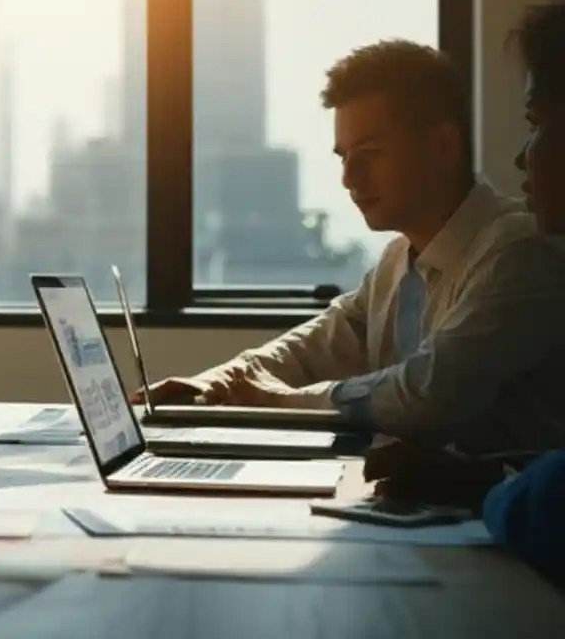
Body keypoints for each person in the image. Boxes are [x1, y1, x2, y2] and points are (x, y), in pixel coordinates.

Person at [134, 39, 565, 452]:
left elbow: (426, 391)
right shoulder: (398, 260)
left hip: (503, 522)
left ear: (443, 145)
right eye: (343, 157)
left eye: (371, 152)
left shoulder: (517, 251)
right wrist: (215, 385)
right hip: (425, 509)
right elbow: (313, 347)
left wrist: (279, 402)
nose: (349, 178)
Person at [364, 0, 565, 581]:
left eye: (537, 124)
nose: (522, 155)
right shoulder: (395, 260)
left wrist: (491, 489)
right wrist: (487, 477)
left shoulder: (516, 250)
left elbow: (556, 506)